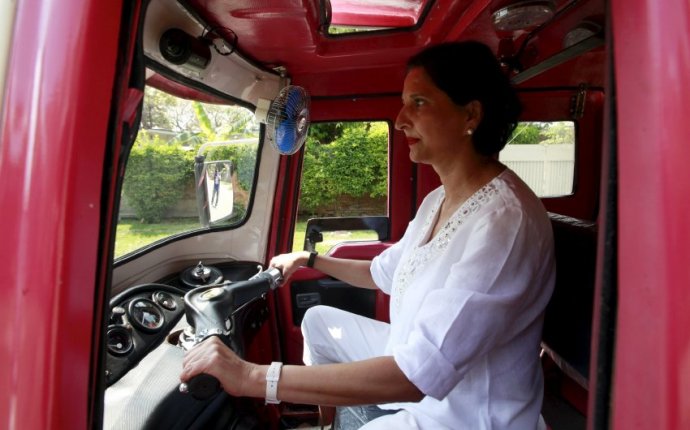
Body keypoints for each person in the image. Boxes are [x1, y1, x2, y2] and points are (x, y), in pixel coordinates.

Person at [181, 41, 555, 429]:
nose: (400, 119)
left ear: (470, 115)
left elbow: (415, 377)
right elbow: (382, 273)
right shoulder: (438, 199)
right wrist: (308, 259)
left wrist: (252, 378)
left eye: (419, 103)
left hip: (467, 413)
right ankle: (331, 423)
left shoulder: (503, 225)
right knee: (318, 322)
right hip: (412, 357)